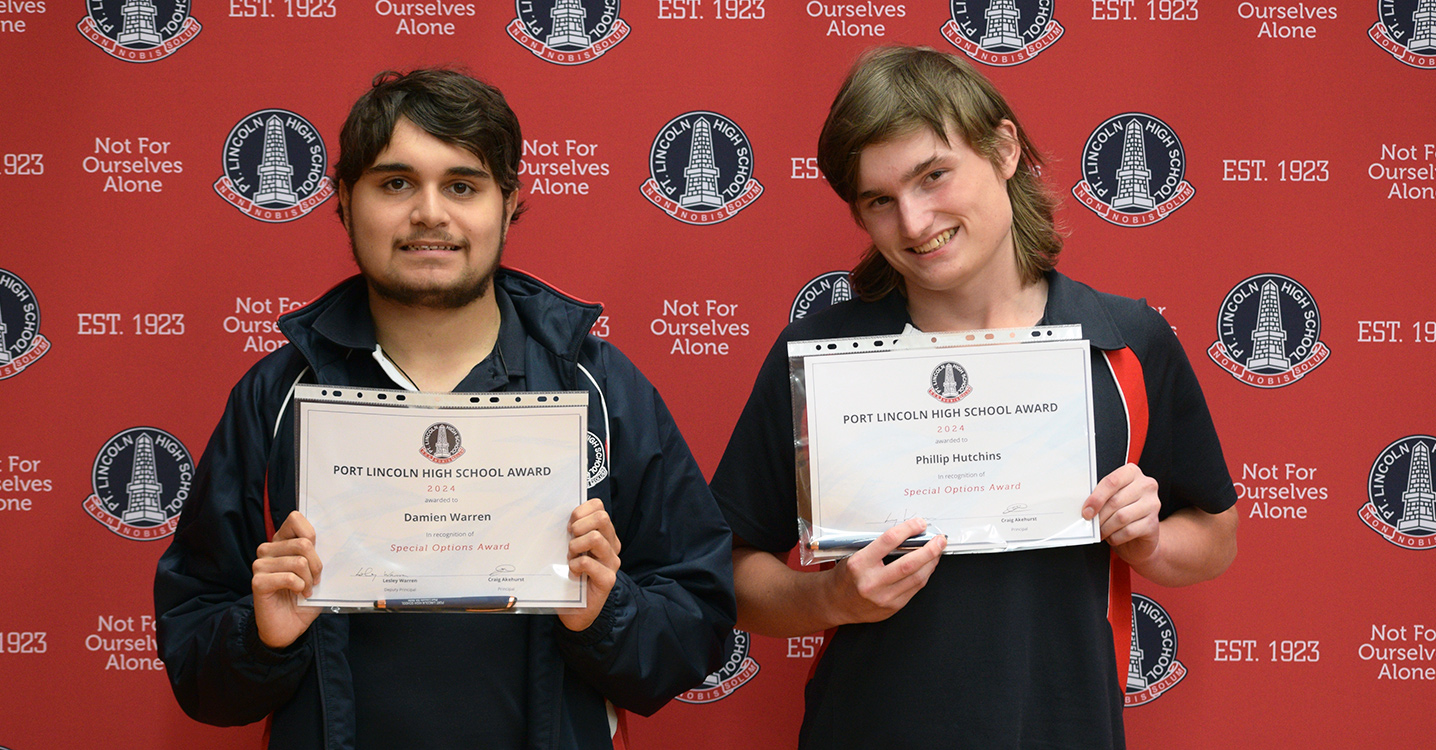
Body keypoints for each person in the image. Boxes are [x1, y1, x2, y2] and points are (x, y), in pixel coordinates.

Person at [155, 68, 736, 750]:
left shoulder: (599, 389)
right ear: (343, 201)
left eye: (462, 186)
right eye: (395, 184)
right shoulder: (277, 397)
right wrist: (261, 637)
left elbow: (697, 625)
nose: (430, 213)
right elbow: (196, 661)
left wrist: (607, 614)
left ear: (509, 203)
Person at [711, 47, 1237, 749]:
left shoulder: (1124, 341)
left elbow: (1216, 536)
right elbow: (728, 571)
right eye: (879, 201)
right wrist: (827, 598)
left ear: (1004, 148)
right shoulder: (822, 358)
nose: (914, 222)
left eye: (933, 176)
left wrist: (1152, 541)